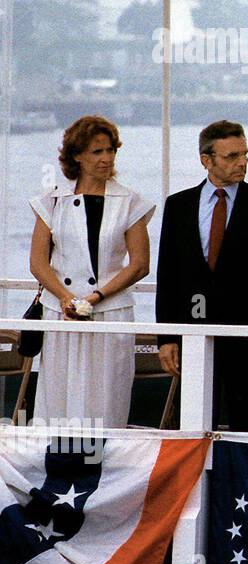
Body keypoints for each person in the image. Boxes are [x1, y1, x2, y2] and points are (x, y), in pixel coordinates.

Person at [156, 120, 248, 432]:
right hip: (193, 332)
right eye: (232, 156)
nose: (242, 162)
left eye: (245, 154)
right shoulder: (178, 205)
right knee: (192, 424)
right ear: (207, 160)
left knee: (247, 424)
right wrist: (166, 338)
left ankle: (243, 481)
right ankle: (194, 482)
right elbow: (169, 275)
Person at [27, 116, 154, 427]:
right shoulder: (53, 199)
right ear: (77, 156)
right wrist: (67, 298)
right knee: (60, 392)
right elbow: (38, 262)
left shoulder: (130, 201)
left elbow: (139, 264)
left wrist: (95, 297)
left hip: (111, 312)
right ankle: (55, 465)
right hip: (61, 312)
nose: (106, 158)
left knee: (106, 395)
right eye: (97, 151)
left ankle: (101, 467)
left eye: (110, 150)